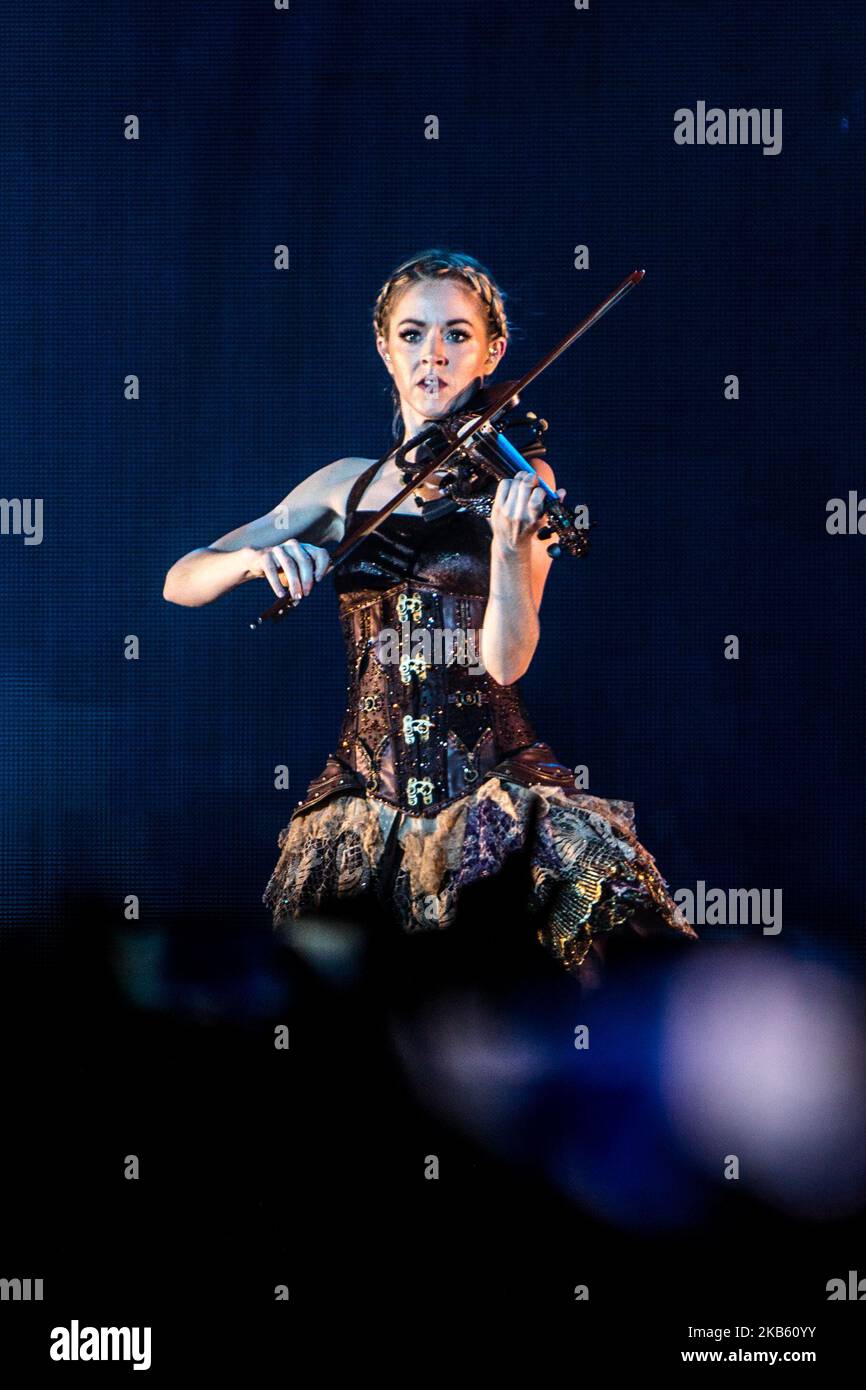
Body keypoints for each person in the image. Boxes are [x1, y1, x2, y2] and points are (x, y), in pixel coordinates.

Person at [164, 249, 696, 987]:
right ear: (385, 348)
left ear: (492, 352)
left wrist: (509, 552)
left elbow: (507, 662)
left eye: (456, 336)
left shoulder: (522, 479)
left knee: (542, 996)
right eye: (413, 335)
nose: (433, 357)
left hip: (495, 793)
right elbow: (181, 580)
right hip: (361, 803)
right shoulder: (344, 487)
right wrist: (258, 561)